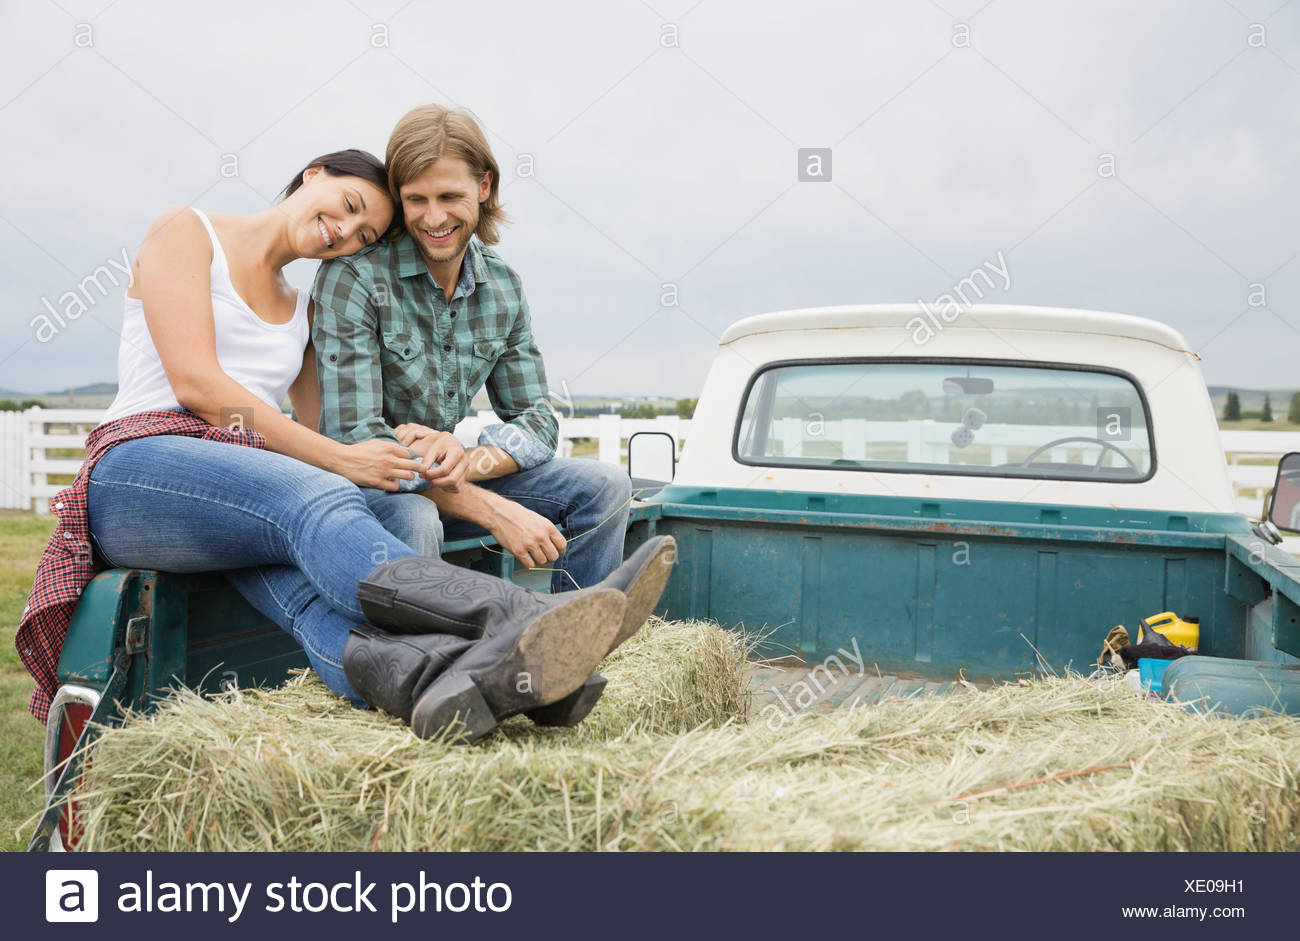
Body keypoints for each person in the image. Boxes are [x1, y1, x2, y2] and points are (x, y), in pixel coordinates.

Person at [15, 149, 674, 742]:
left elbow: (328, 433)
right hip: (140, 470)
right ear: (314, 174)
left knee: (310, 594)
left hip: (238, 486)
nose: (345, 232)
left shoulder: (300, 310)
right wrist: (335, 460)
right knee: (318, 493)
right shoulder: (188, 231)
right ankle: (520, 617)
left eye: (363, 235)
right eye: (350, 206)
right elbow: (198, 385)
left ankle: (435, 682)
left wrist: (410, 450)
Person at [312, 104, 632, 592]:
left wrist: (467, 460)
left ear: (484, 187)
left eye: (450, 196)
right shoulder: (353, 277)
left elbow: (538, 422)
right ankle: (422, 663)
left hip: (442, 482)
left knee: (604, 486)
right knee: (416, 516)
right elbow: (357, 438)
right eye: (416, 199)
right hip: (369, 490)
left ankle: (575, 645)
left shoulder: (502, 286)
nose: (433, 217)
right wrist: (488, 504)